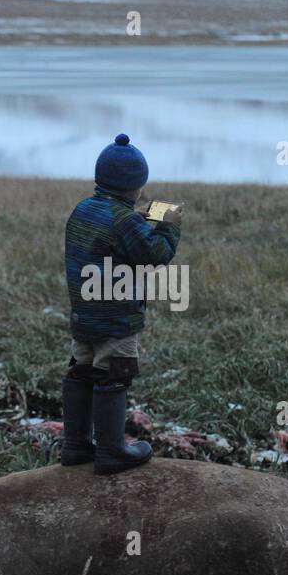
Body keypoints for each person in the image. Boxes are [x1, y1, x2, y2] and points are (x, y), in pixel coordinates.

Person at [60, 134, 183, 475]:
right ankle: (112, 450)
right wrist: (168, 226)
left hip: (84, 314)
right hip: (116, 318)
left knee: (82, 370)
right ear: (135, 187)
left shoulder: (83, 209)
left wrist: (136, 219)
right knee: (115, 375)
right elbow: (154, 255)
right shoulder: (124, 220)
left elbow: (107, 239)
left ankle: (75, 445)